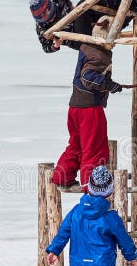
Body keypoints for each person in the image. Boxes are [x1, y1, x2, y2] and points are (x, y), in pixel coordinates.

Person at [51, 16, 124, 187]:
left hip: (75, 106)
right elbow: (88, 77)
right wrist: (109, 84)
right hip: (90, 108)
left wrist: (109, 85)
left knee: (76, 145)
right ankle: (91, 186)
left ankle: (62, 177)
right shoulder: (100, 54)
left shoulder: (86, 47)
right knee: (94, 147)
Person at [29, 0, 137, 53]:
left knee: (88, 3)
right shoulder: (42, 29)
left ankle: (125, 1)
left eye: (51, 13)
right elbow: (45, 48)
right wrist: (56, 45)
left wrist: (75, 10)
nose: (51, 17)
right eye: (47, 18)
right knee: (90, 15)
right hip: (77, 39)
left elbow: (68, 3)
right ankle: (133, 11)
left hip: (80, 18)